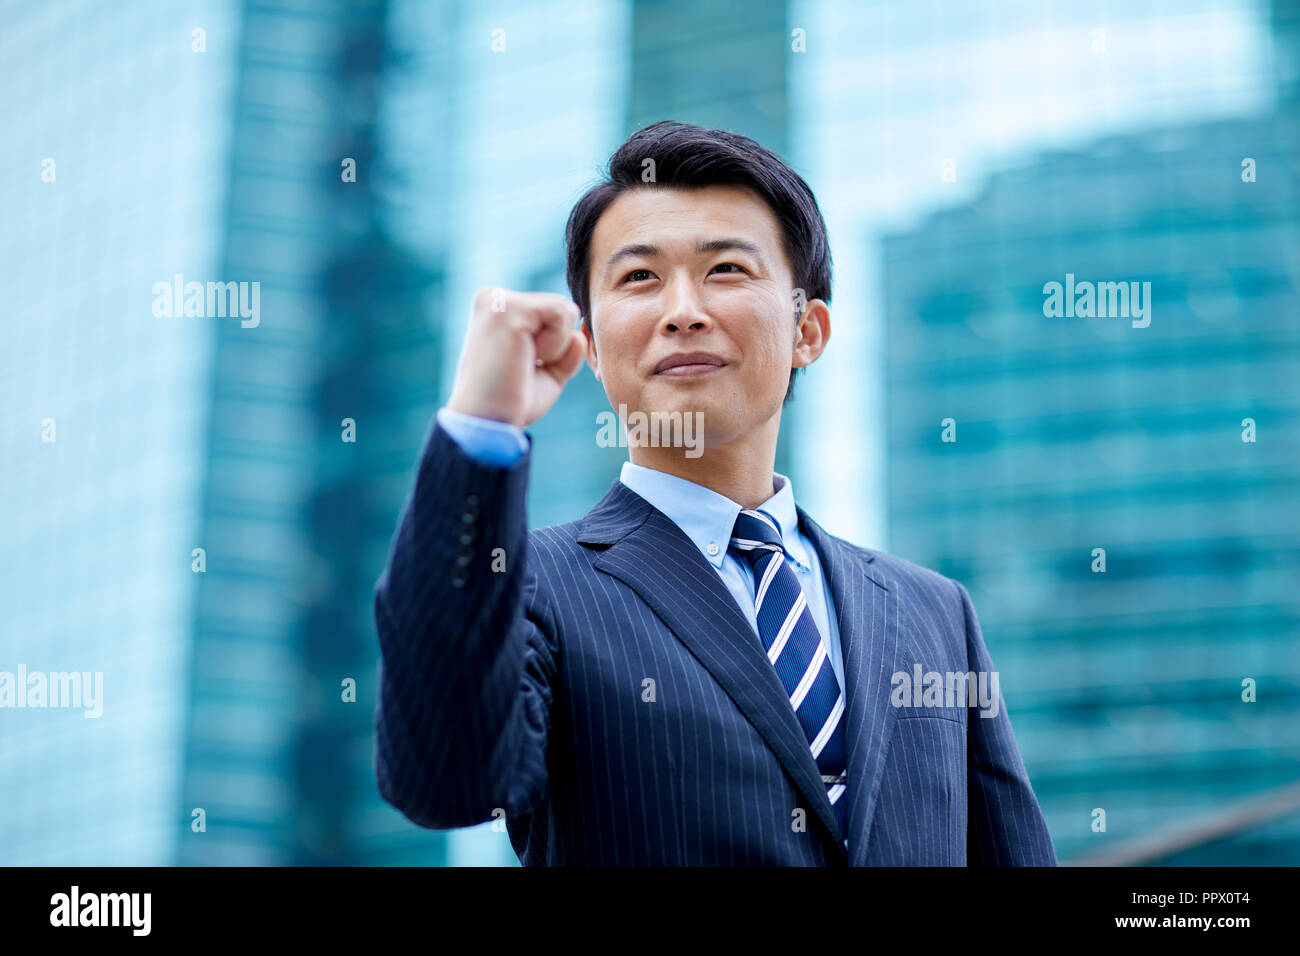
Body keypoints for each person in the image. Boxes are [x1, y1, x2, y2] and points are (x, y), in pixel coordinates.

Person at [373, 120, 1057, 866]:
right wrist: (480, 429)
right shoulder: (532, 584)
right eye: (639, 277)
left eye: (727, 269)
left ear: (809, 330)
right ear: (593, 349)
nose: (683, 310)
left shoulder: (935, 612)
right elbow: (446, 779)